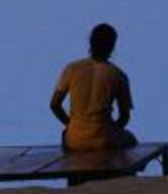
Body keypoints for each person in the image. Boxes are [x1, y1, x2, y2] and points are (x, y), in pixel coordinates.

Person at [49, 23, 137, 151]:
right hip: (104, 139)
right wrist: (111, 130)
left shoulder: (72, 69)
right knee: (132, 139)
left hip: (74, 140)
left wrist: (71, 125)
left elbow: (54, 105)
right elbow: (124, 116)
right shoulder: (118, 74)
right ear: (112, 46)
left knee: (65, 135)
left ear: (90, 43)